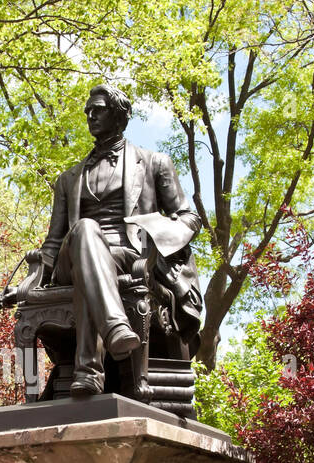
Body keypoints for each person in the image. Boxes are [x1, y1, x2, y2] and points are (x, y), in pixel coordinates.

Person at [36, 82, 203, 396]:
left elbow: (189, 218)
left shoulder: (154, 163)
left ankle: (88, 373)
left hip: (130, 256)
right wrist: (32, 279)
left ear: (119, 116)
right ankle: (115, 325)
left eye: (97, 110)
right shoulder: (68, 179)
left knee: (93, 267)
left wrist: (157, 235)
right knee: (85, 228)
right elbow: (53, 242)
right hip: (71, 260)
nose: (89, 116)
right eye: (88, 111)